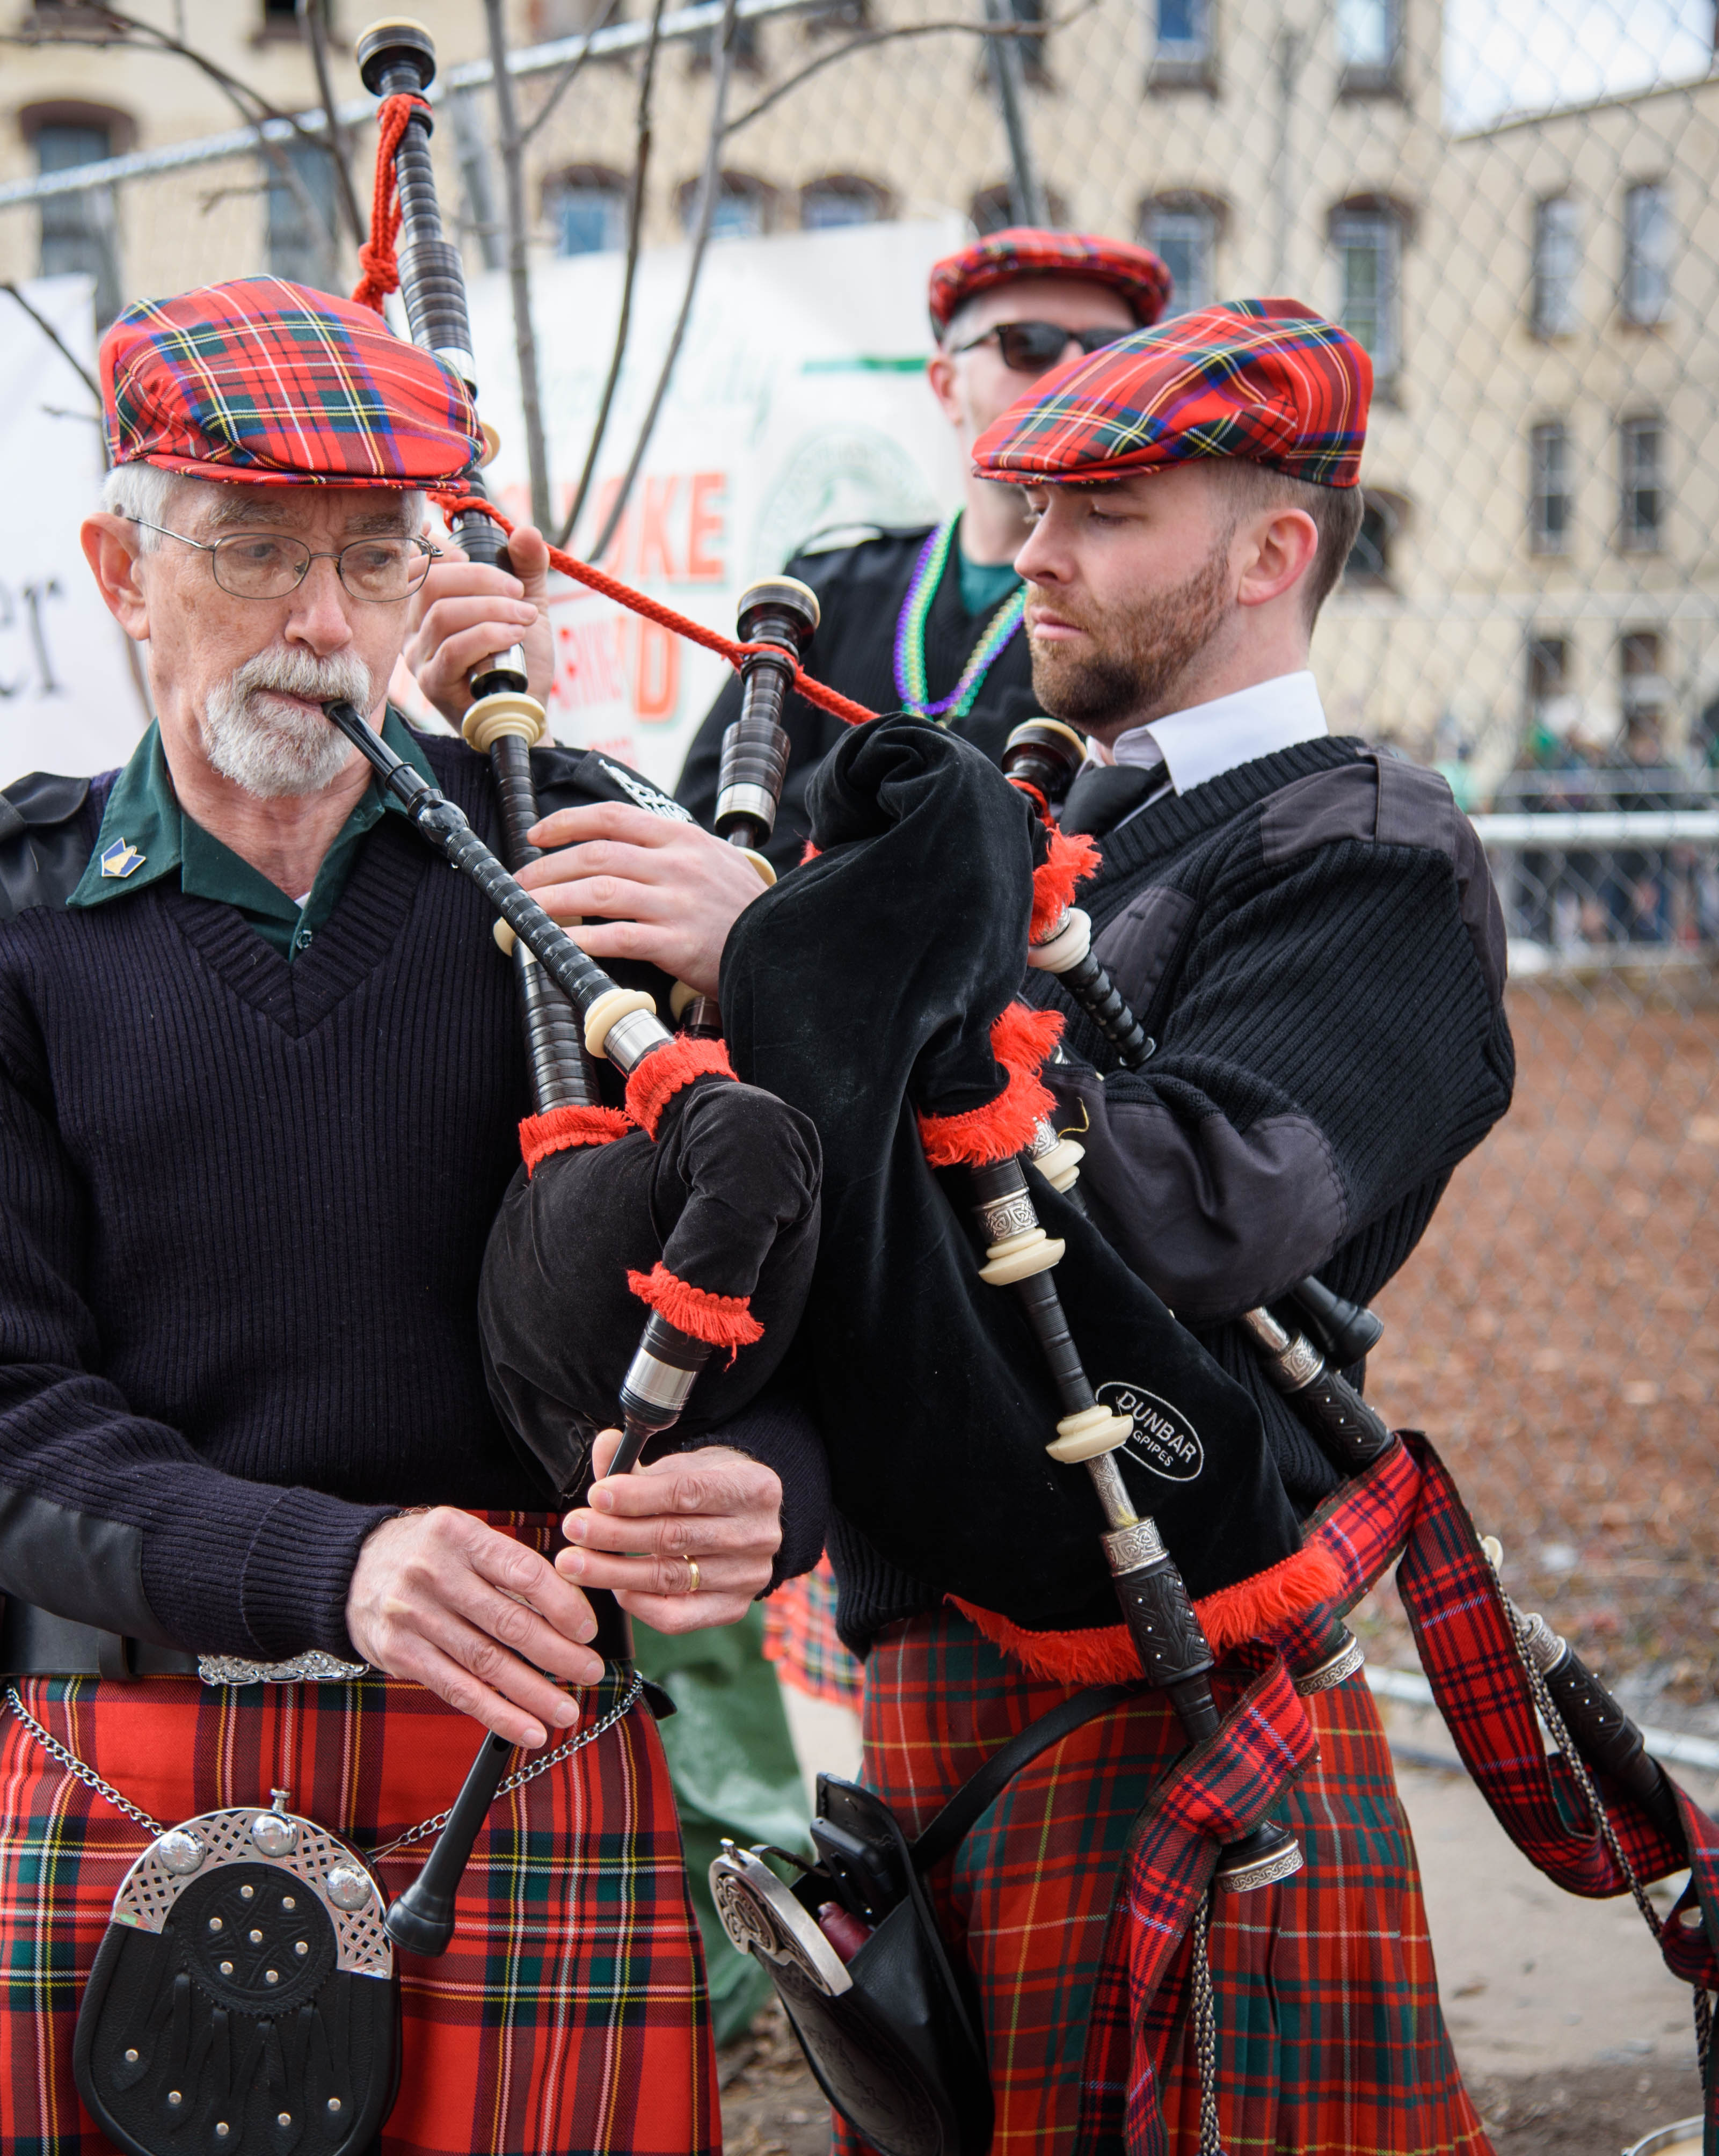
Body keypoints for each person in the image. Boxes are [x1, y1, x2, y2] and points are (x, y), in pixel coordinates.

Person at [526, 299, 1515, 2154]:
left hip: (1178, 1685)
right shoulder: (1015, 813)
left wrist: (786, 946)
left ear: (1270, 549)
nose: (1029, 552)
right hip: (946, 1689)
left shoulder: (1359, 850)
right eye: (1025, 501)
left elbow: (1196, 1205)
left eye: (1106, 513)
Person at [0, 276, 827, 2156]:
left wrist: (781, 1487)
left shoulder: (593, 870)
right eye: (249, 552)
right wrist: (339, 1563)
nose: (321, 620)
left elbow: (804, 1299)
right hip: (129, 1746)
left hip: (522, 1737)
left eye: (372, 556)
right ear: (120, 565)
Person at [672, 228, 1170, 869]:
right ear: (944, 383)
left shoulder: (1147, 617)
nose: (1072, 370)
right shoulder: (825, 593)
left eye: (1107, 350)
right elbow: (709, 816)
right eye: (1029, 343)